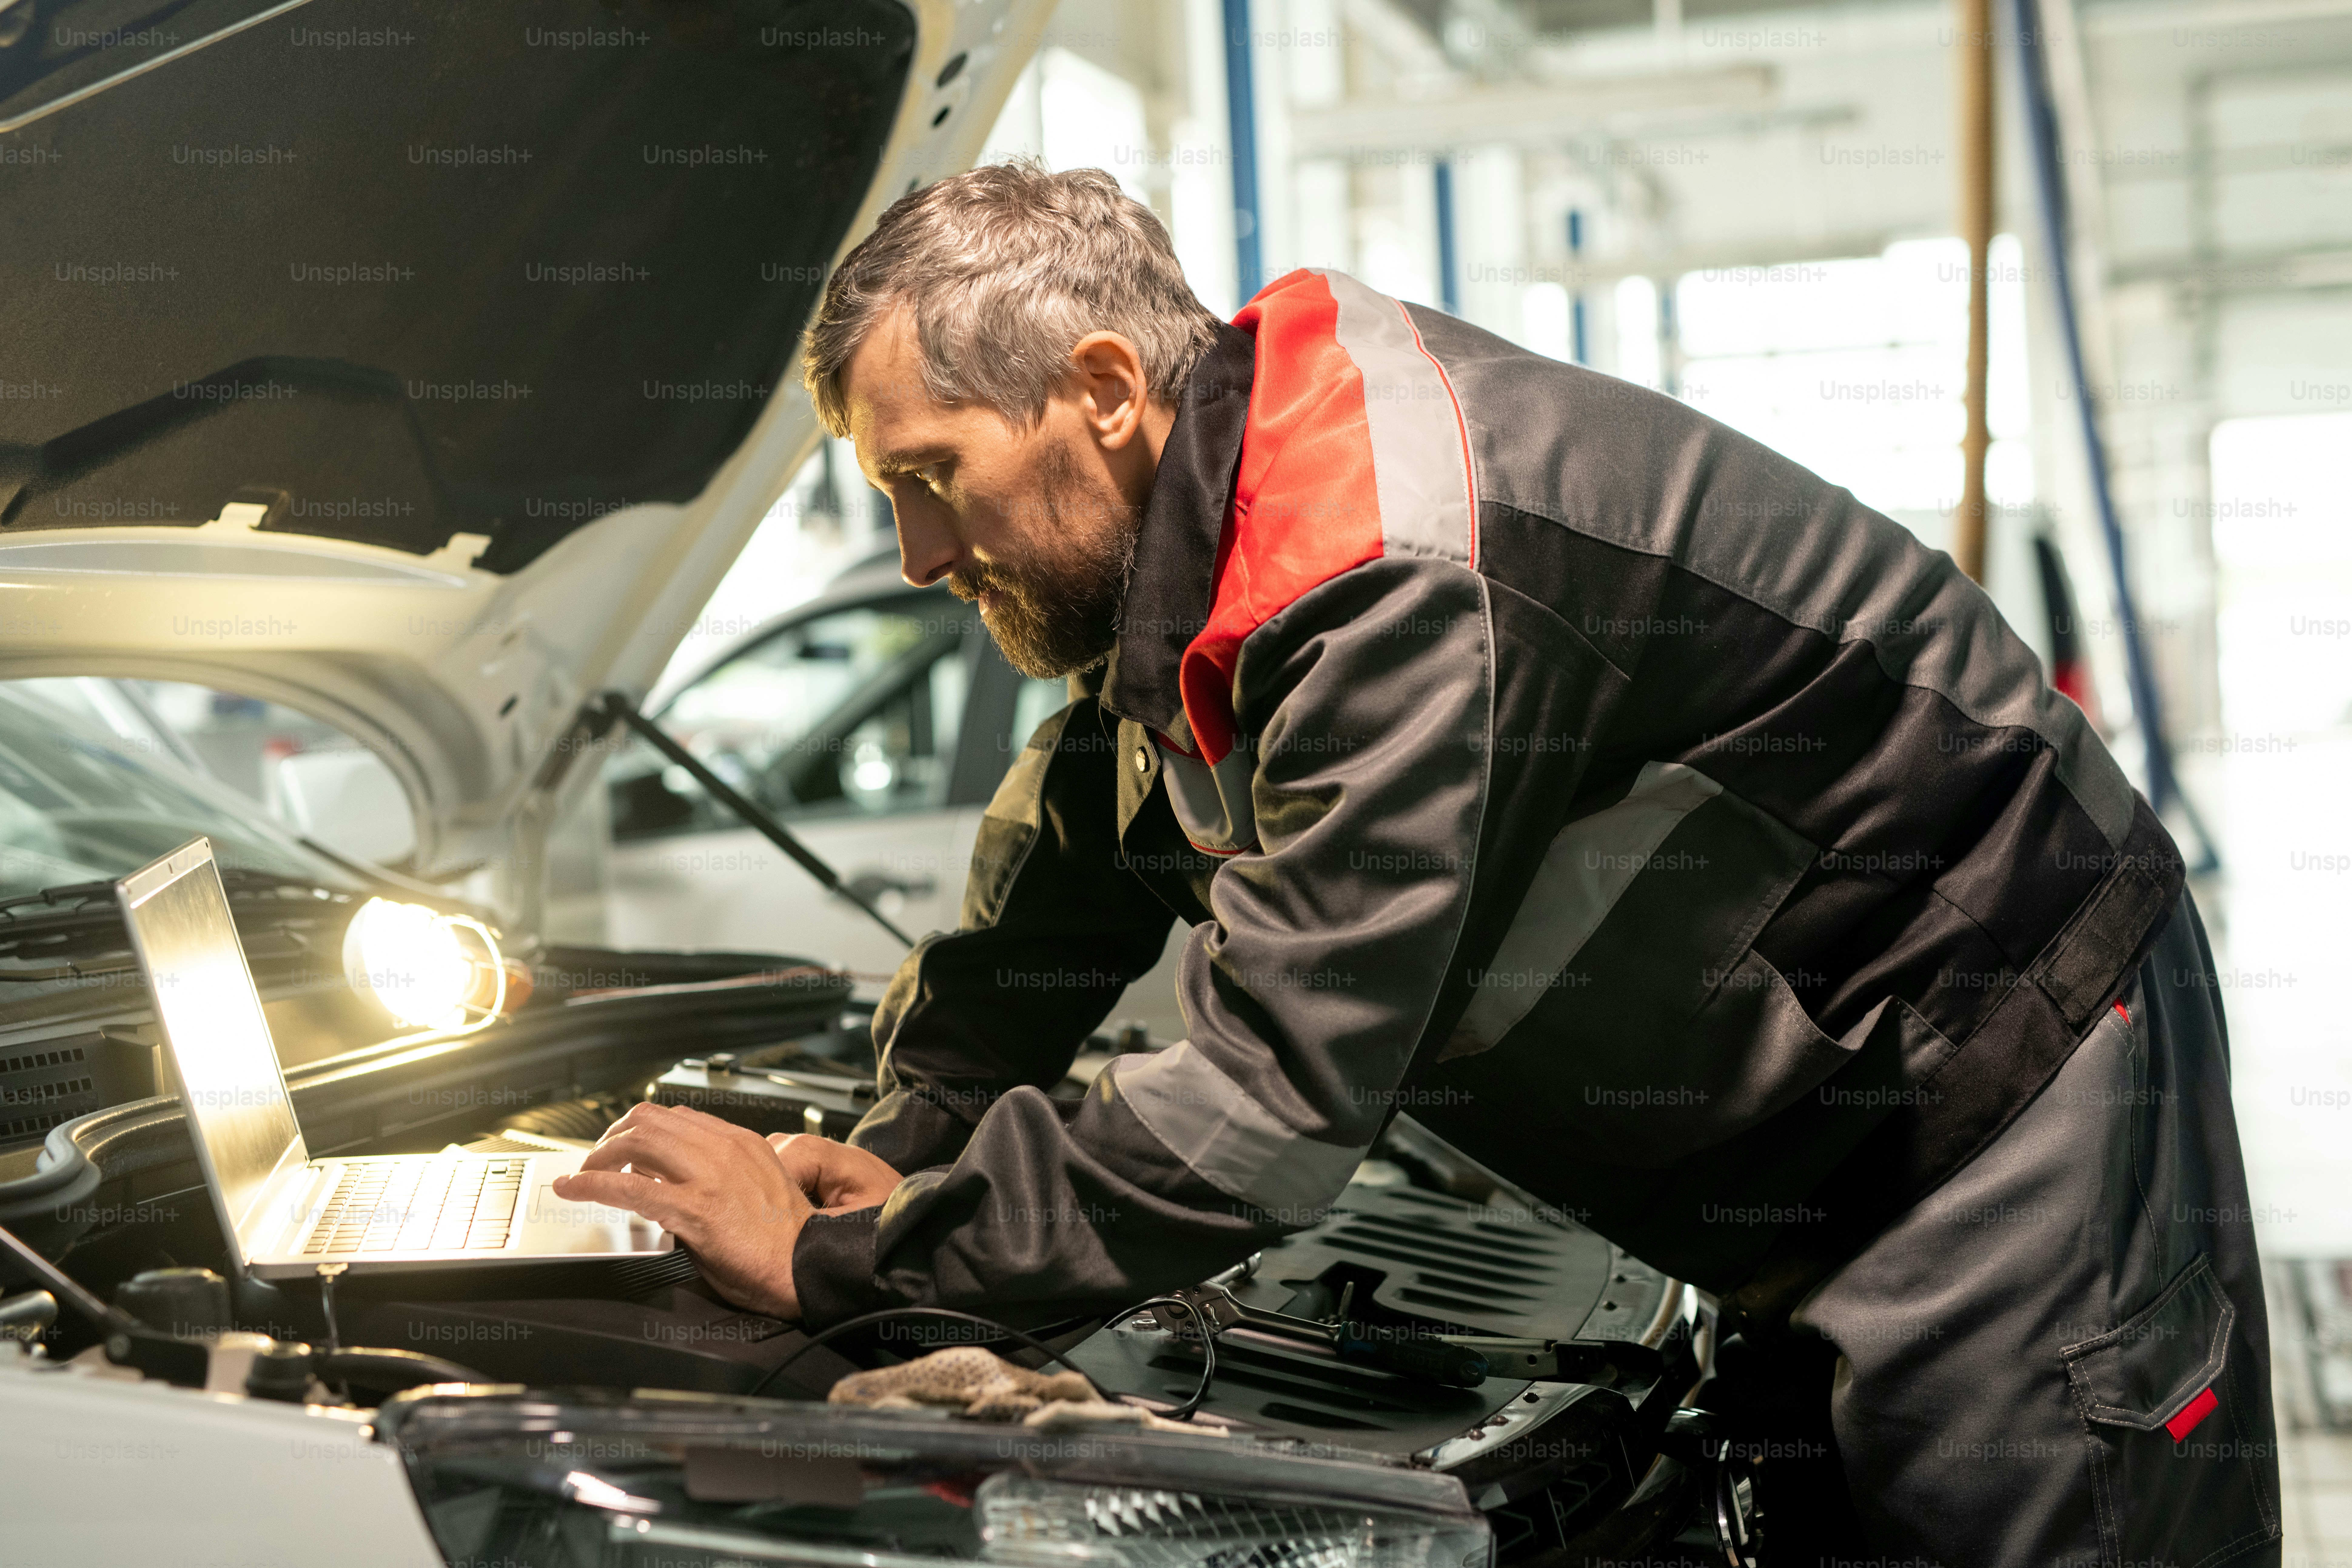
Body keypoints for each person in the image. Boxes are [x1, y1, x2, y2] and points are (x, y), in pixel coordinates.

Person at [556, 161, 2280, 1566]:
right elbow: (1084, 844)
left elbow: (1270, 1108)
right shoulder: (1216, 525)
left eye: (932, 478)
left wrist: (847, 1267)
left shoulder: (1388, 567)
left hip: (1996, 1085)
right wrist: (904, 1137)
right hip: (1791, 1141)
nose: (918, 554)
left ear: (1101, 391)